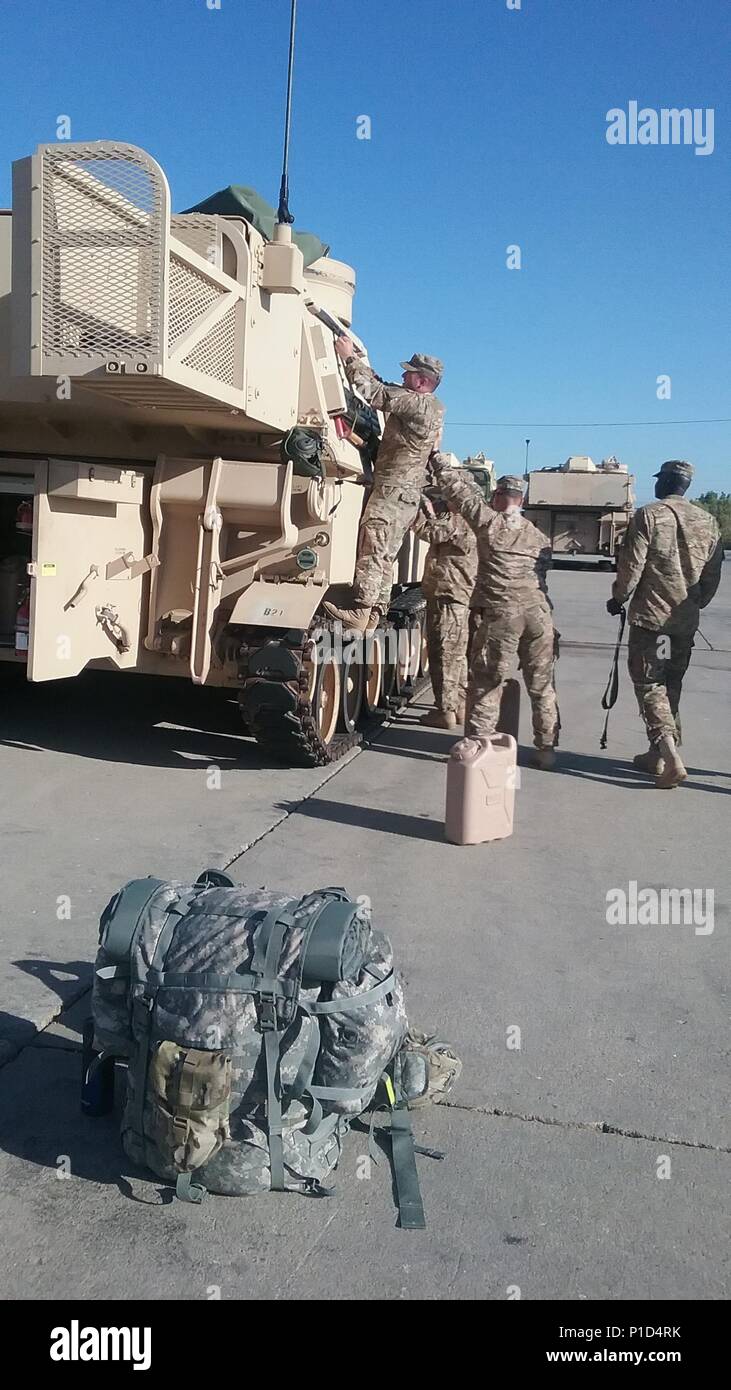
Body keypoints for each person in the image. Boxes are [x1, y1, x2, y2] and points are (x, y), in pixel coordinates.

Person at [430, 461, 559, 768]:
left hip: (503, 614)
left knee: (487, 681)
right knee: (542, 686)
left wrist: (438, 462)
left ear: (498, 496)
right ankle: (546, 748)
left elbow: (460, 494)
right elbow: (542, 582)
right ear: (523, 501)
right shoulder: (540, 538)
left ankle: (479, 747)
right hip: (539, 615)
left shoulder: (490, 522)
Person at [607, 459, 724, 788]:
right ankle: (656, 754)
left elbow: (632, 565)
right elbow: (713, 575)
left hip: (651, 620)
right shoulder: (708, 521)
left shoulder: (650, 515)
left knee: (649, 685)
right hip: (683, 623)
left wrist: (619, 598)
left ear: (666, 482)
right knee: (671, 684)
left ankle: (671, 755)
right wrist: (696, 603)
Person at [323, 344, 445, 632]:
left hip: (392, 490)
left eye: (409, 375)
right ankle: (376, 611)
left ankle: (360, 610)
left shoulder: (415, 403)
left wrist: (349, 358)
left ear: (423, 381)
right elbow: (389, 388)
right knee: (386, 553)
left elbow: (374, 393)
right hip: (406, 493)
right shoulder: (433, 407)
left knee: (373, 545)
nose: (403, 378)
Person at [411, 489, 477, 728]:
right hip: (461, 598)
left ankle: (445, 712)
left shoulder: (456, 521)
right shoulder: (476, 522)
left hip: (447, 597)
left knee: (444, 657)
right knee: (458, 657)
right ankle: (458, 707)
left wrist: (415, 507)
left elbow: (426, 531)